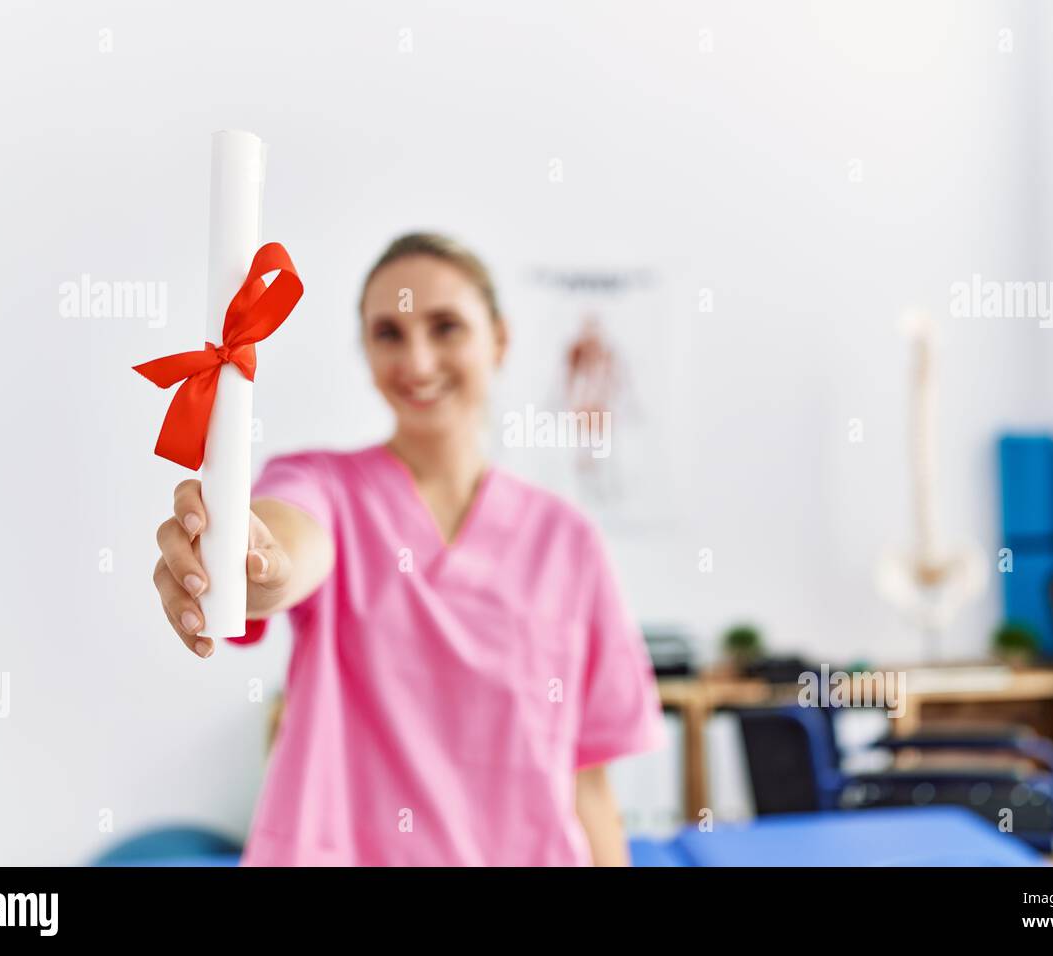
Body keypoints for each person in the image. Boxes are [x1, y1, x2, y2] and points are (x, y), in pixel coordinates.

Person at [150, 232, 666, 866]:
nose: (417, 362)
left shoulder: (569, 542)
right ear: (366, 354)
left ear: (499, 341)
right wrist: (251, 563)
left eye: (445, 327)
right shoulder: (322, 485)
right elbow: (289, 542)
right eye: (388, 333)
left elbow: (589, 783)